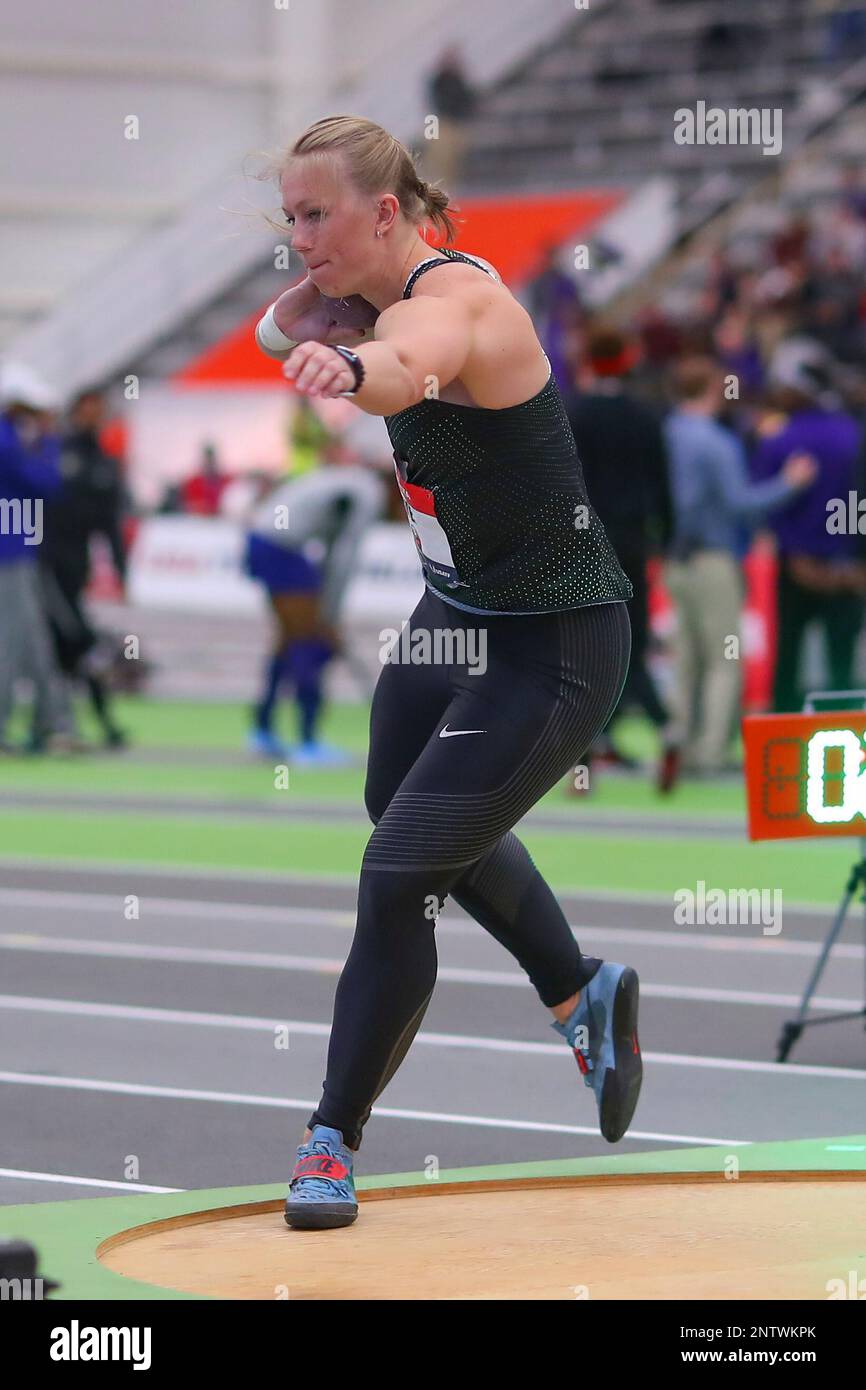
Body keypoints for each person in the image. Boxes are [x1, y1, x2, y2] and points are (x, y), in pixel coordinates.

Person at [256, 115, 640, 1230]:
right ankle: (581, 992)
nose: (298, 237)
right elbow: (282, 321)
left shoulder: (451, 299)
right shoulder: (358, 289)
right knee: (403, 816)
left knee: (397, 871)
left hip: (556, 642)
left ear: (385, 214)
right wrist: (312, 313)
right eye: (289, 216)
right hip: (452, 623)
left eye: (316, 214)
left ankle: (330, 1138)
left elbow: (406, 365)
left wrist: (350, 359)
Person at [663, 356, 816, 775]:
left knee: (687, 659)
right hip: (713, 558)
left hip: (674, 559)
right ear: (712, 390)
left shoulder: (665, 434)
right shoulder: (717, 442)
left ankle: (680, 740)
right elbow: (739, 503)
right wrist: (790, 482)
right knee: (722, 661)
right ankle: (709, 752)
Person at [564, 326, 679, 792]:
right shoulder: (648, 417)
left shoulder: (574, 414)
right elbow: (663, 487)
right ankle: (667, 729)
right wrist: (664, 542)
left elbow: (563, 480)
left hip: (585, 542)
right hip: (633, 543)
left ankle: (583, 761)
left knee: (584, 649)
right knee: (633, 641)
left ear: (589, 363)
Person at [244, 460, 385, 764]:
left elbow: (329, 554)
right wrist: (329, 619)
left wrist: (325, 612)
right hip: (280, 547)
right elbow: (344, 559)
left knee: (288, 640)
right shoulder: (370, 495)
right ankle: (308, 743)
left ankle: (263, 729)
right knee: (309, 642)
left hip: (263, 541)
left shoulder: (350, 482)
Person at [750, 341, 865, 712]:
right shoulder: (854, 434)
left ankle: (782, 728)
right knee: (842, 657)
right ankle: (848, 731)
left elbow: (760, 503)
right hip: (850, 566)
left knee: (790, 652)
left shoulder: (780, 438)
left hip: (796, 563)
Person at [40, 389, 128, 749]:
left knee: (64, 645)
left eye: (99, 410)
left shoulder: (105, 463)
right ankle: (95, 720)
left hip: (76, 566)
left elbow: (110, 523)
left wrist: (122, 570)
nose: (93, 416)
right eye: (87, 409)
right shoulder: (53, 452)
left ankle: (62, 724)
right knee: (75, 639)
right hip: (43, 564)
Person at [0, 364, 78, 753]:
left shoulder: (12, 436)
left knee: (30, 639)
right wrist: (49, 441)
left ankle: (53, 721)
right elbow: (47, 483)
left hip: (17, 549)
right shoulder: (8, 441)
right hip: (9, 551)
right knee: (14, 641)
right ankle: (47, 722)